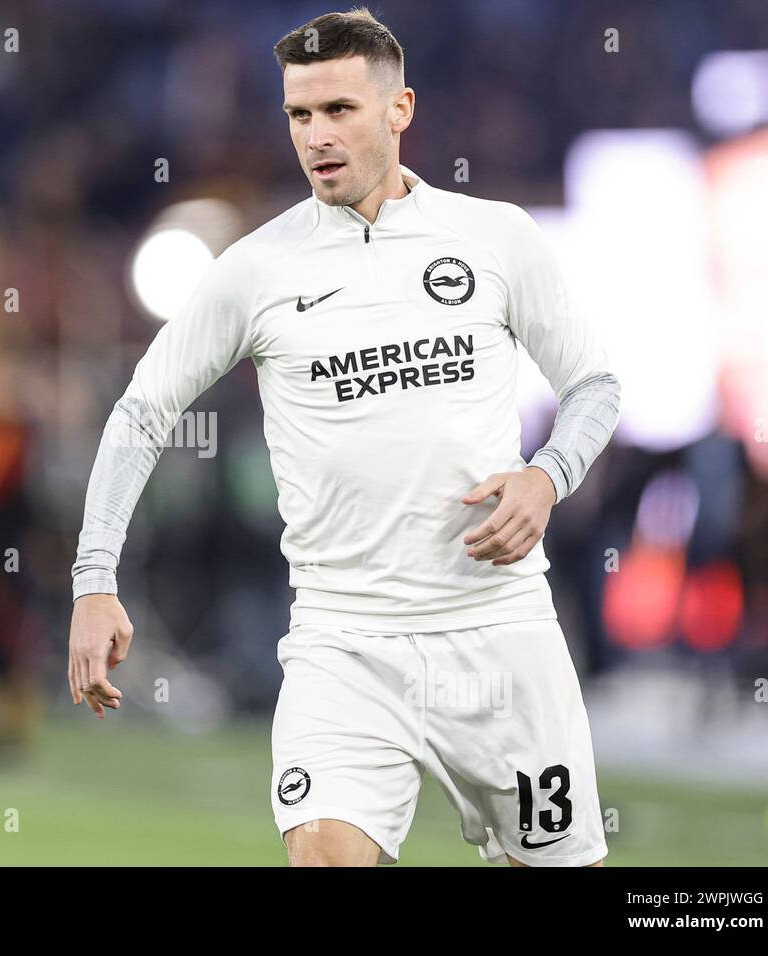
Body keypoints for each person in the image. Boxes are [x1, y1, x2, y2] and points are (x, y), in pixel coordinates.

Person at [68, 8, 620, 867]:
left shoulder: (496, 237)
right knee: (322, 855)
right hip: (344, 641)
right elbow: (142, 411)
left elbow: (595, 385)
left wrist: (548, 476)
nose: (317, 136)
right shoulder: (258, 268)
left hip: (499, 630)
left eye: (339, 111)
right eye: (299, 115)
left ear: (400, 109)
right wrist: (94, 578)